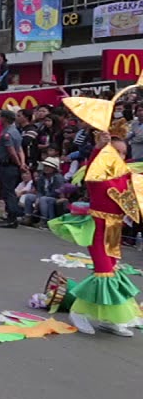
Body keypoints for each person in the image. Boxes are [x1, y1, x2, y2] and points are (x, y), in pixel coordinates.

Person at [48, 130, 141, 336]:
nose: (120, 156)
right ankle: (78, 312)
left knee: (112, 273)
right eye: (115, 151)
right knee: (103, 273)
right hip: (98, 228)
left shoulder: (126, 175)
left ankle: (108, 319)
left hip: (115, 231)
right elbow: (93, 165)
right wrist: (99, 147)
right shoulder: (97, 173)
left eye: (123, 153)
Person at [0, 109, 24, 228]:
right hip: (11, 165)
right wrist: (22, 162)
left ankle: (12, 218)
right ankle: (10, 215)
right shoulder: (15, 131)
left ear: (5, 119)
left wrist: (18, 163)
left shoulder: (7, 133)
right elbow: (20, 149)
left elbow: (11, 151)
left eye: (0, 117)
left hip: (8, 165)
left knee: (8, 191)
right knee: (8, 190)